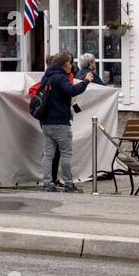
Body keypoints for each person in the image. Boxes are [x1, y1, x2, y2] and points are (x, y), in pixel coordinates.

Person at [37, 51, 93, 193]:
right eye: (70, 63)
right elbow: (71, 90)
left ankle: (47, 184)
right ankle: (68, 184)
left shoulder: (46, 77)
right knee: (66, 153)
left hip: (46, 121)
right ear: (64, 64)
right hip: (60, 121)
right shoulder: (60, 78)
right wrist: (86, 81)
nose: (71, 66)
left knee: (48, 154)